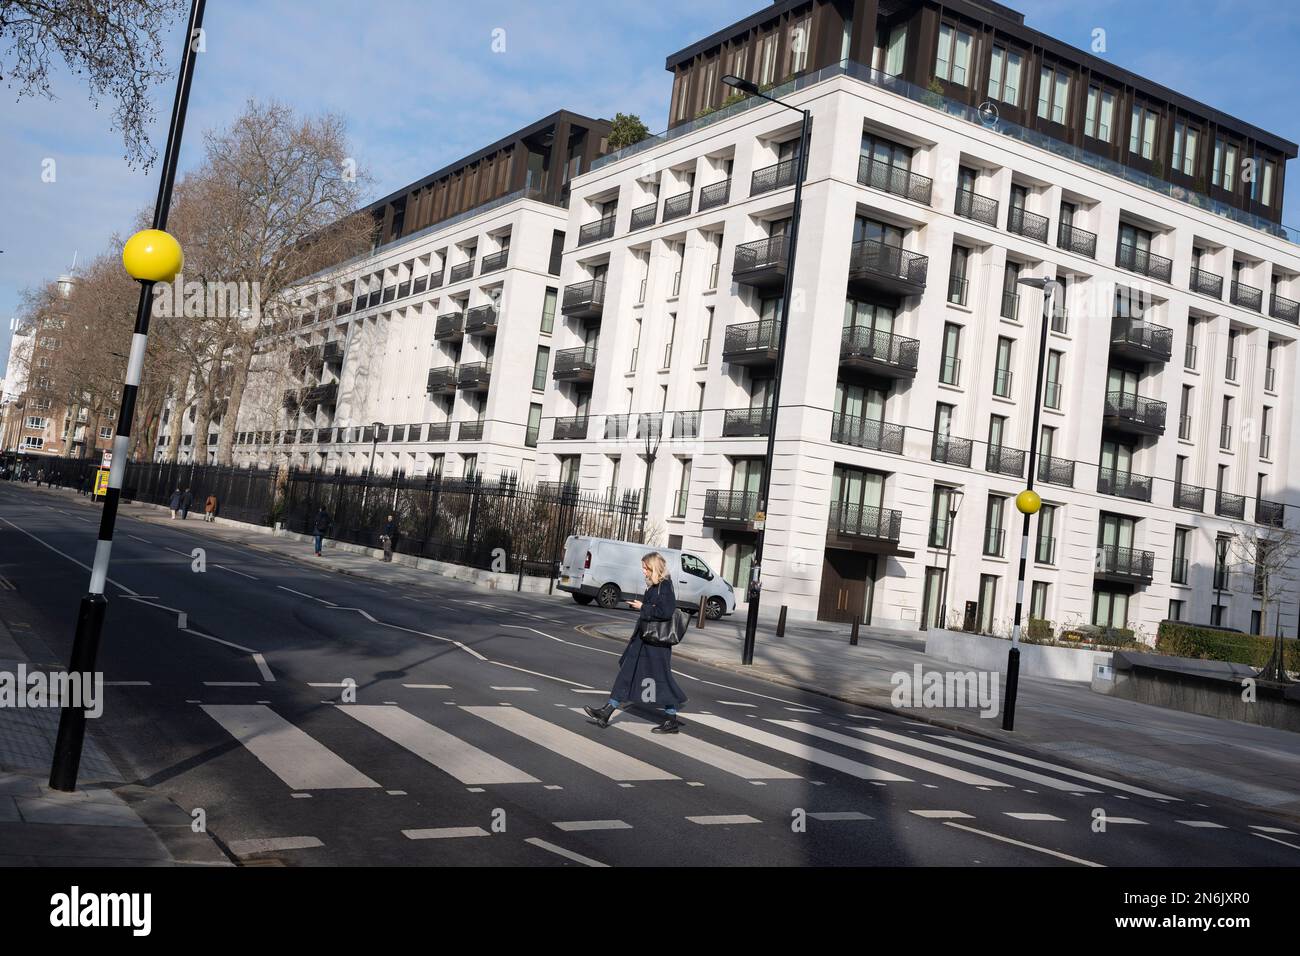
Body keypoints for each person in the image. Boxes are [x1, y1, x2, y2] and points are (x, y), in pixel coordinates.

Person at [584, 552, 687, 734]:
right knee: (626, 674)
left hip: (656, 644)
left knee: (660, 680)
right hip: (643, 640)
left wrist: (643, 607)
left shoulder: (665, 586)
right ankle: (606, 712)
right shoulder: (654, 586)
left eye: (645, 568)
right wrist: (643, 605)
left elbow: (666, 611)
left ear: (654, 568)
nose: (643, 571)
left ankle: (671, 720)